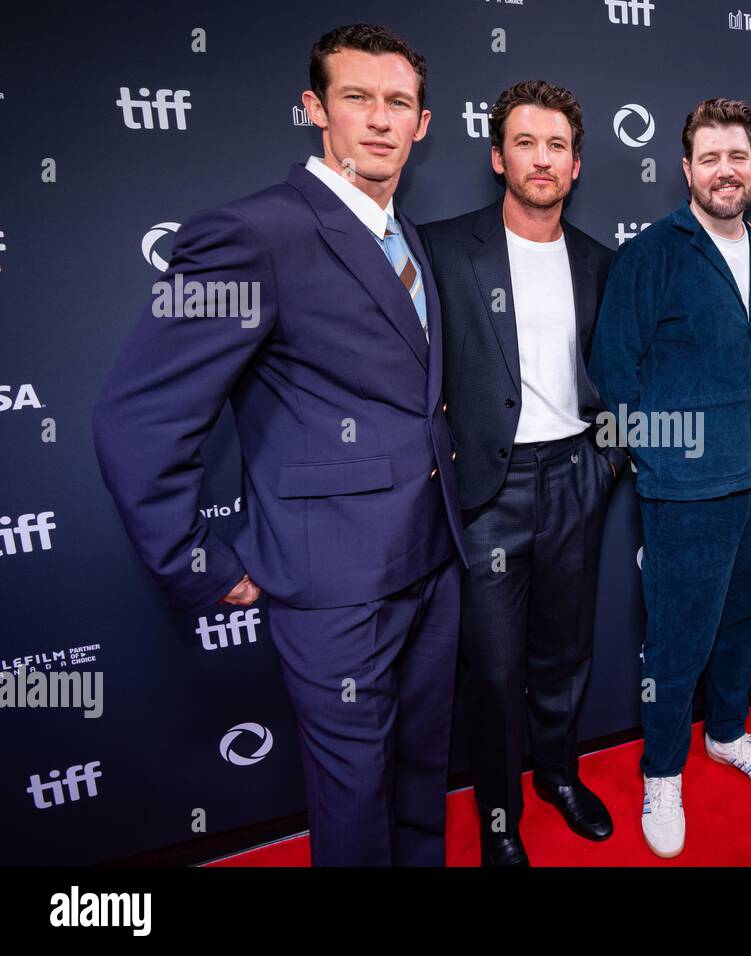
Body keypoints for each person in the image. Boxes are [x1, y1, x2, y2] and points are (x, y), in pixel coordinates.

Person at [92, 24, 466, 866]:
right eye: (356, 98)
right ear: (314, 110)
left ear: (423, 122)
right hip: (334, 585)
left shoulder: (411, 237)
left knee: (420, 775)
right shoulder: (252, 234)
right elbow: (139, 417)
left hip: (435, 561)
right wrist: (203, 564)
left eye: (397, 102)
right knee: (354, 800)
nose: (379, 119)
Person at [417, 80, 625, 866]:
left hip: (577, 476)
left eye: (558, 148)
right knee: (496, 671)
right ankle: (499, 817)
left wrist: (606, 462)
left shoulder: (601, 261)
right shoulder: (439, 248)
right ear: (498, 156)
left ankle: (560, 776)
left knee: (565, 653)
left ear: (576, 165)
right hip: (487, 494)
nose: (542, 160)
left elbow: (625, 376)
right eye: (526, 145)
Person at [589, 98, 751, 859]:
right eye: (709, 158)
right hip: (686, 488)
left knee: (743, 621)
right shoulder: (652, 254)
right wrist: (659, 456)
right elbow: (614, 368)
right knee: (677, 642)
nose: (724, 170)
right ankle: (662, 771)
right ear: (686, 169)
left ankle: (731, 734)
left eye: (736, 156)